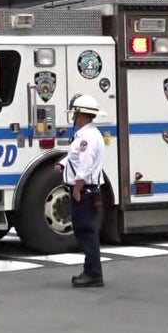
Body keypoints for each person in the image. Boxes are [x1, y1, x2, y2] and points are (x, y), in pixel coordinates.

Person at [56, 94, 107, 288]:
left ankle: (93, 274)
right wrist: (62, 165)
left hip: (85, 191)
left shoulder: (87, 137)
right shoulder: (86, 135)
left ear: (82, 115)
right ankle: (90, 271)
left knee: (86, 232)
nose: (74, 117)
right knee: (86, 232)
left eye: (75, 113)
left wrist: (77, 189)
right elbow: (74, 157)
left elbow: (85, 166)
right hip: (86, 190)